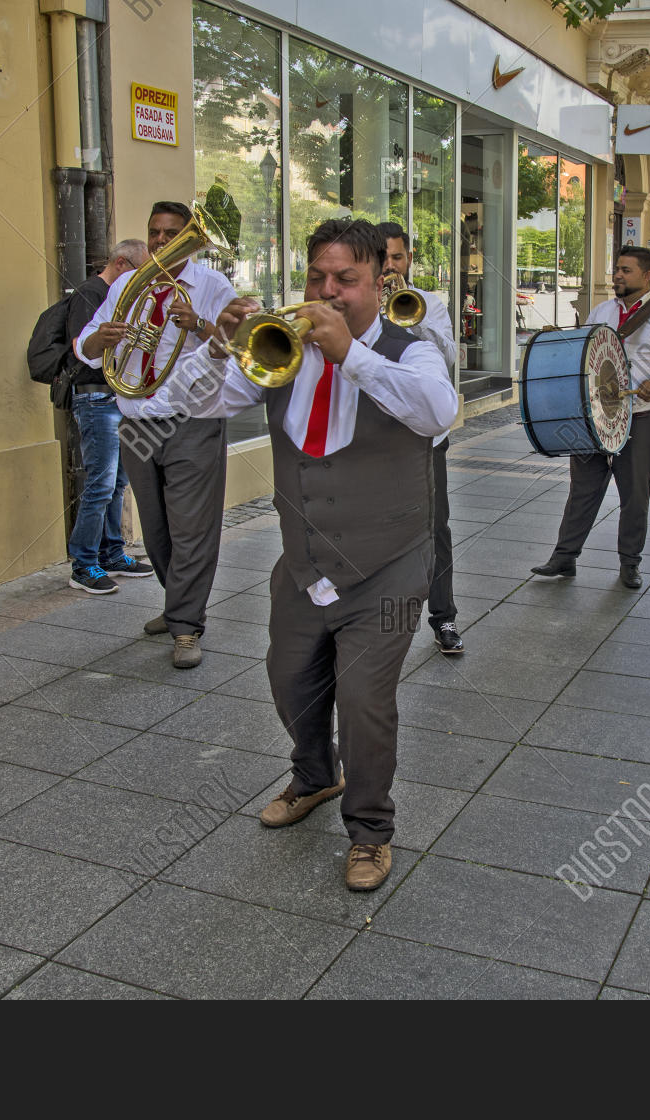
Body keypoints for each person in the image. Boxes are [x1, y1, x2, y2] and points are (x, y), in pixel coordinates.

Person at [210, 218, 457, 891]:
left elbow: (438, 412)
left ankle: (371, 830)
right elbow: (210, 402)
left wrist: (353, 354)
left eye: (345, 279)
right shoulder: (283, 349)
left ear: (381, 280)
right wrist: (215, 341)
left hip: (389, 561)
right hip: (306, 562)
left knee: (363, 700)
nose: (328, 291)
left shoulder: (415, 349)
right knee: (289, 679)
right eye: (317, 276)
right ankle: (315, 777)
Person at [75, 201, 238, 669]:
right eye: (154, 233)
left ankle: (187, 627)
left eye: (172, 233)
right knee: (157, 529)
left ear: (190, 237)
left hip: (193, 420)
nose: (162, 242)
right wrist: (101, 339)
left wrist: (201, 326)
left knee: (192, 528)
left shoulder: (212, 285)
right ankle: (177, 607)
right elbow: (86, 346)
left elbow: (240, 344)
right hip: (138, 419)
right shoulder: (128, 284)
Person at [531, 246, 650, 589]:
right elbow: (588, 354)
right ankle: (565, 556)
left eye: (626, 270)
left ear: (647, 276)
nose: (617, 275)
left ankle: (630, 563)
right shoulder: (603, 309)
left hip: (640, 416)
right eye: (616, 269)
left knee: (635, 493)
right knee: (583, 488)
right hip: (594, 415)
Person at [377, 221, 464, 655]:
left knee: (435, 527)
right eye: (382, 258)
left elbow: (449, 356)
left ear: (408, 258)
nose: (390, 266)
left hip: (425, 438)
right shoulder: (360, 304)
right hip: (377, 437)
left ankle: (443, 618)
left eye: (396, 257)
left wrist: (409, 317)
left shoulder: (430, 303)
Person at [65, 239, 153, 595]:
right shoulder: (91, 293)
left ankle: (112, 552)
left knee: (116, 483)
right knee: (100, 484)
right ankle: (84, 564)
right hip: (96, 396)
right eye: (139, 272)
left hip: (115, 397)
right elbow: (82, 348)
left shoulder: (116, 293)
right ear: (120, 264)